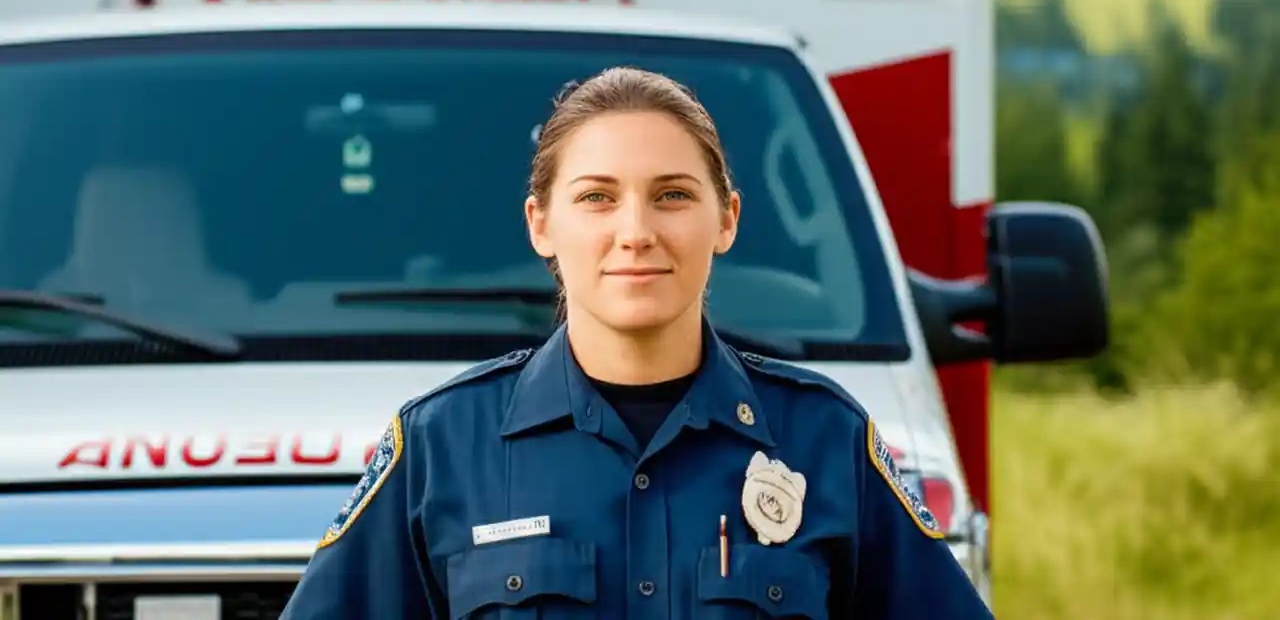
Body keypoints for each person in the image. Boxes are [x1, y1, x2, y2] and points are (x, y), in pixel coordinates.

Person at [279, 67, 995, 619]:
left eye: (673, 195)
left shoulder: (824, 440)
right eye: (596, 197)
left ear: (727, 220)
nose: (636, 232)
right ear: (541, 225)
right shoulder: (442, 447)